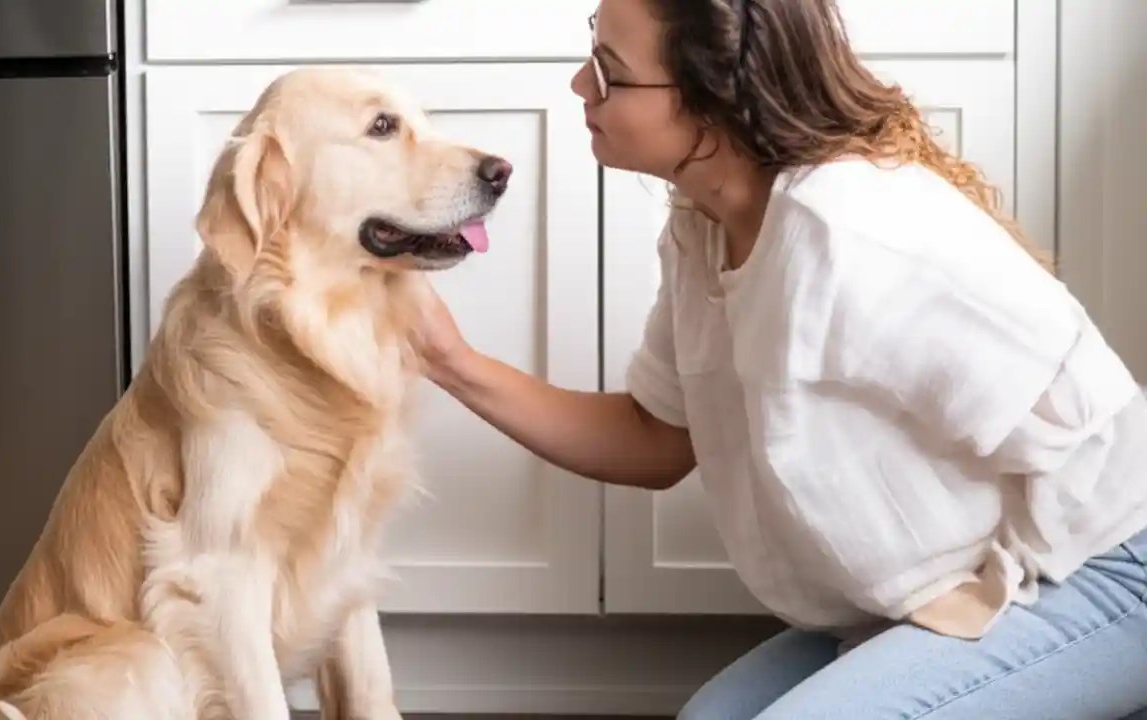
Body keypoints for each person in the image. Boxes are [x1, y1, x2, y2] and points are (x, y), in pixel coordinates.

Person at [412, 0, 1147, 718]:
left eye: (609, 72)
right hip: (928, 588)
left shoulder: (856, 232)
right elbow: (656, 439)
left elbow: (1103, 442)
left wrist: (982, 595)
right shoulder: (704, 223)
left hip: (1102, 570)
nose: (581, 86)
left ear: (714, 97)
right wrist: (449, 359)